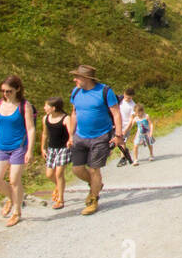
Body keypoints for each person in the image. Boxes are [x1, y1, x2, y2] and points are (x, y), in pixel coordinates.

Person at [0, 74, 36, 227]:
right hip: (1, 147)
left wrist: (30, 150)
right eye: (3, 91)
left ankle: (17, 212)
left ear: (17, 89)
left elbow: (30, 129)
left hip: (18, 147)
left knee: (15, 180)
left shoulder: (24, 106)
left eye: (9, 91)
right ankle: (13, 199)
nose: (5, 94)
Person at [66, 65, 125, 216]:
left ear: (86, 78)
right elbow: (74, 113)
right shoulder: (76, 92)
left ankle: (93, 198)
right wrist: (71, 135)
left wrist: (118, 135)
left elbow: (116, 113)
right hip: (80, 136)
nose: (74, 79)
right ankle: (95, 185)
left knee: (94, 169)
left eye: (77, 77)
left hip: (101, 136)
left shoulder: (105, 91)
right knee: (77, 169)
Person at [41, 97, 71, 209]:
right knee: (49, 174)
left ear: (53, 108)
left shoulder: (66, 118)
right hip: (51, 148)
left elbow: (71, 132)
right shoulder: (45, 118)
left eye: (46, 106)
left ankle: (61, 200)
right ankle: (58, 186)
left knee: (59, 173)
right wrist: (43, 148)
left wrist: (70, 140)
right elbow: (45, 134)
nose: (44, 108)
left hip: (63, 148)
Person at [116, 87, 139, 167]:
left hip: (126, 125)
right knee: (117, 141)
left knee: (122, 141)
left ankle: (123, 159)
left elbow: (132, 119)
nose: (127, 99)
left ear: (132, 97)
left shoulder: (133, 105)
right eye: (126, 96)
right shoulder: (119, 100)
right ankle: (125, 153)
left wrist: (126, 129)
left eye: (129, 98)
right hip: (117, 124)